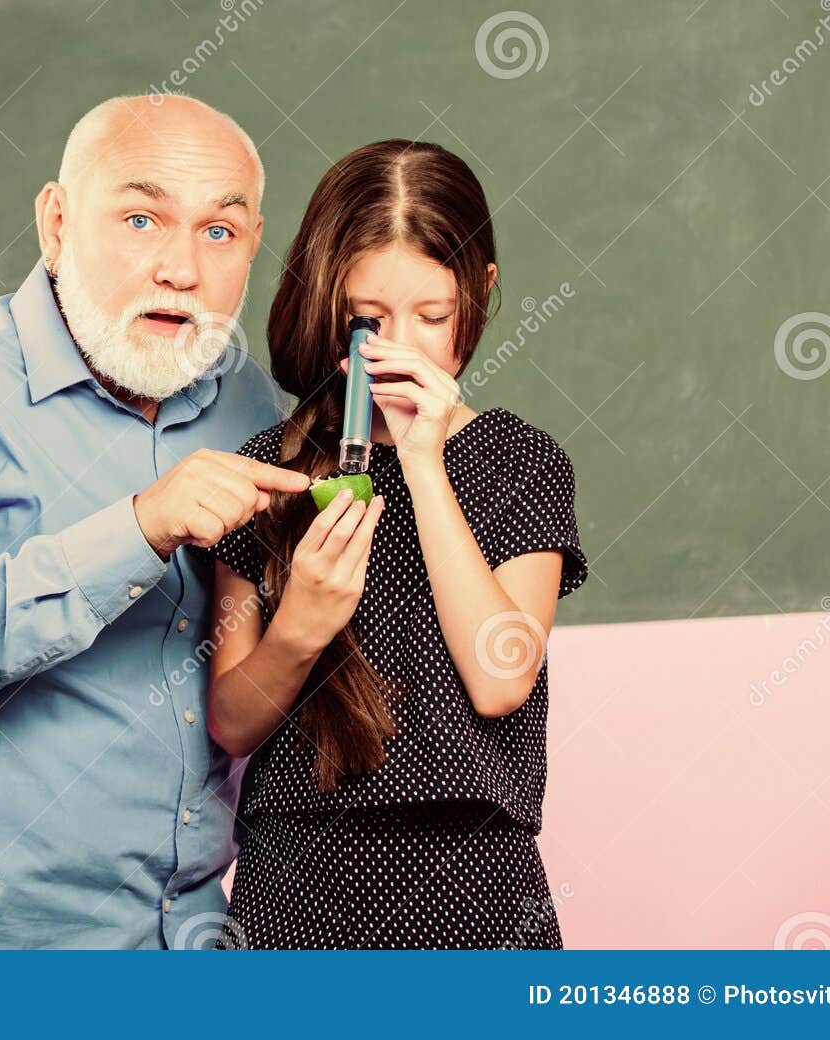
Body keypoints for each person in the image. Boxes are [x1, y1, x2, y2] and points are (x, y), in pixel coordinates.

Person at [0, 94, 303, 948]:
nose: (181, 269)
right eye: (142, 219)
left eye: (218, 232)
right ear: (57, 221)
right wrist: (139, 529)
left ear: (253, 244)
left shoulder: (259, 411)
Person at [205, 140, 589, 949]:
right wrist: (302, 624)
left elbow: (500, 678)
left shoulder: (521, 461)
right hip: (298, 888)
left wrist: (424, 464)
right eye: (367, 322)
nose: (399, 349)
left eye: (434, 318)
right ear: (326, 303)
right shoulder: (261, 475)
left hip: (476, 886)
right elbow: (233, 722)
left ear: (480, 293)